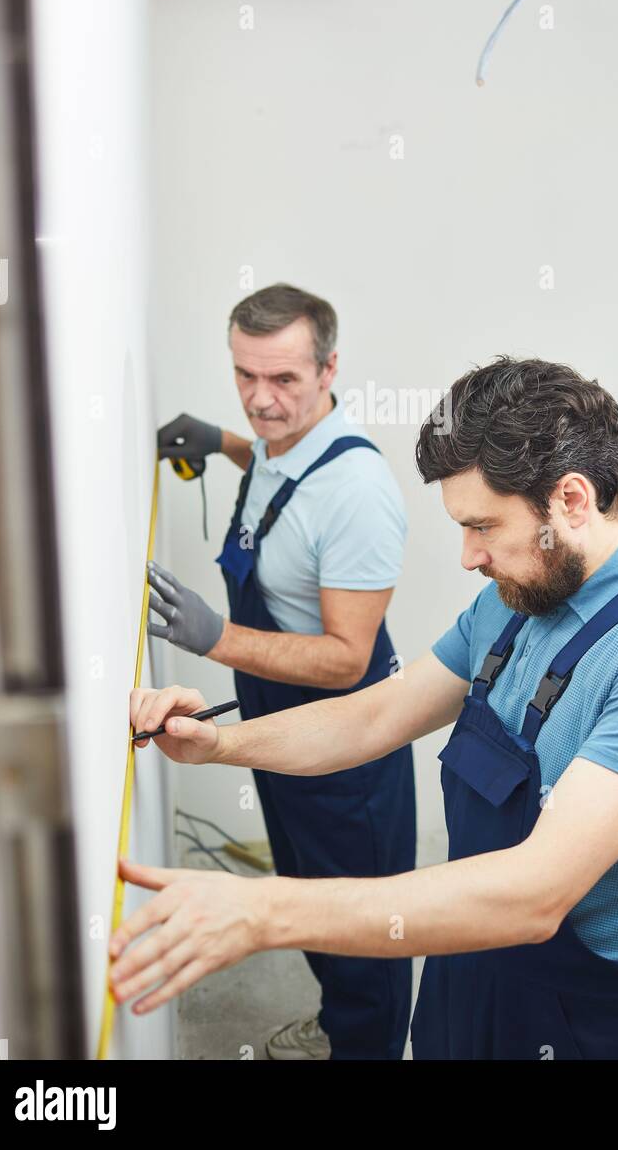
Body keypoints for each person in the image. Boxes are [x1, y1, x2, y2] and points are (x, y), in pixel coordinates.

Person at [117, 357, 618, 1061]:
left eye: (482, 526)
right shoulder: (516, 601)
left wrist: (262, 912)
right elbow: (375, 716)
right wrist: (221, 745)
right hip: (466, 958)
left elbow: (534, 893)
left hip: (587, 1018)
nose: (467, 556)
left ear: (571, 500)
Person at [147, 283, 416, 1061]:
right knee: (303, 892)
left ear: (331, 369)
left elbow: (346, 658)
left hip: (346, 750)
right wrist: (224, 441)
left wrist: (217, 636)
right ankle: (340, 1022)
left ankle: (365, 1047)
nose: (261, 402)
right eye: (244, 376)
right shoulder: (275, 440)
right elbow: (271, 459)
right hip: (277, 725)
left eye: (285, 380)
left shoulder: (357, 494)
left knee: (359, 923)